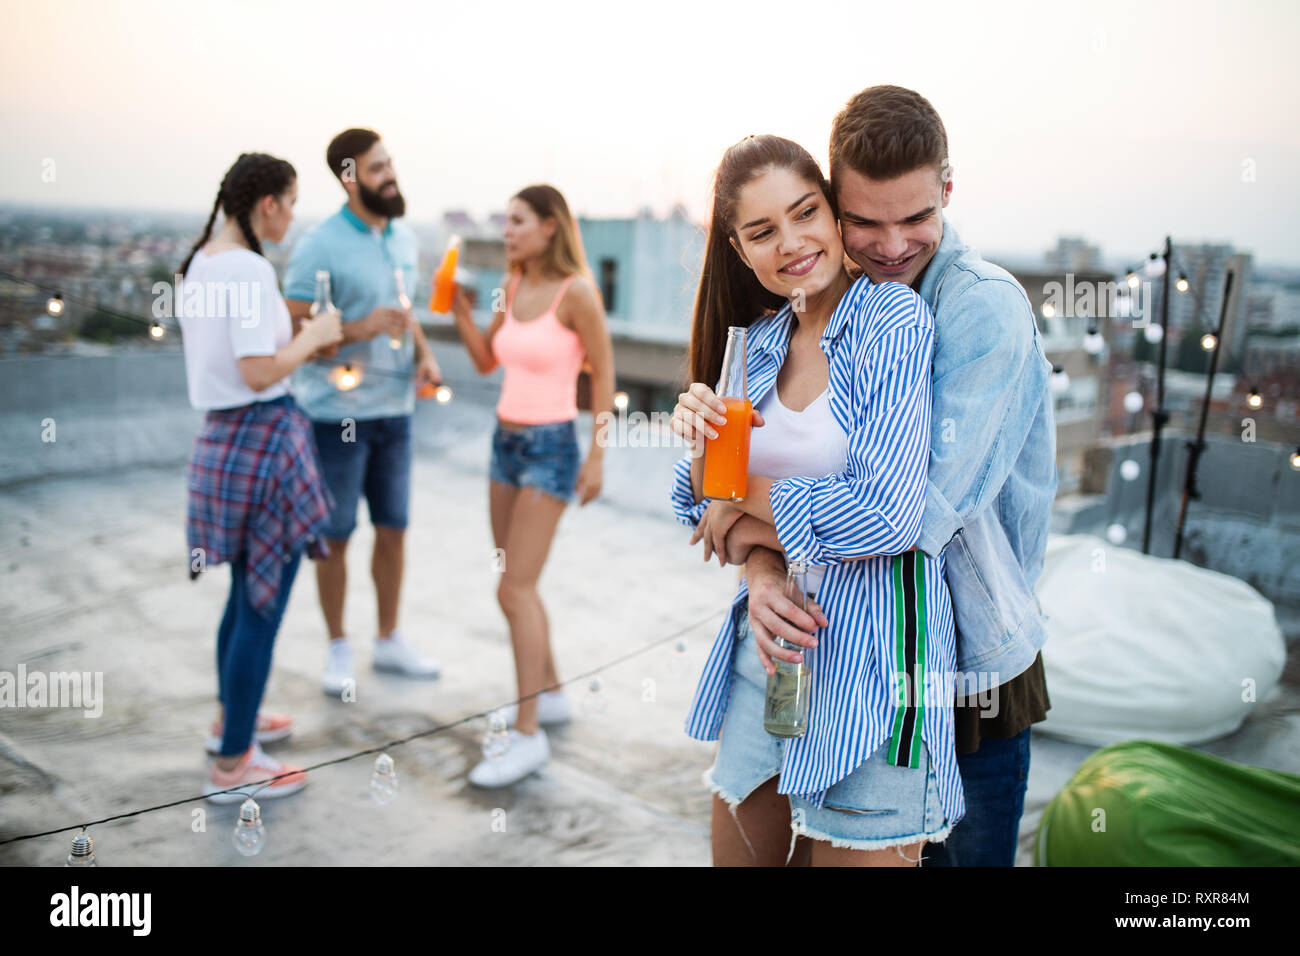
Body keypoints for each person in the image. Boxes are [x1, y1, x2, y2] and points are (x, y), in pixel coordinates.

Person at [741, 86, 1057, 866]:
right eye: (865, 222)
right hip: (849, 655)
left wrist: (745, 515)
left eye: (914, 218)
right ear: (832, 205)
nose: (889, 245)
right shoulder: (828, 305)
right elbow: (791, 461)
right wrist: (758, 566)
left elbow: (908, 517)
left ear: (948, 186)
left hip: (963, 674)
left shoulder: (982, 309)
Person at [669, 135, 963, 866]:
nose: (793, 243)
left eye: (806, 214)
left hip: (873, 668)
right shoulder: (758, 344)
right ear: (739, 249)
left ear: (834, 215)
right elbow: (694, 503)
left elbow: (890, 514)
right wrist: (761, 569)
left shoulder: (891, 322)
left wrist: (744, 501)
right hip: (767, 657)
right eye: (763, 231)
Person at [177, 152, 343, 802]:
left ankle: (231, 725)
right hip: (264, 437)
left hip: (221, 439)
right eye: (292, 202)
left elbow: (236, 357)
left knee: (244, 595)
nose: (294, 216)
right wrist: (316, 334)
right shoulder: (246, 268)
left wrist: (292, 337)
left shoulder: (202, 263)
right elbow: (256, 371)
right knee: (262, 606)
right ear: (267, 203)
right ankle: (234, 766)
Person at [449, 184, 614, 787]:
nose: (508, 230)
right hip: (504, 445)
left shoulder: (579, 295)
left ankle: (526, 735)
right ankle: (549, 697)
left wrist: (596, 458)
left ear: (550, 226)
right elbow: (488, 362)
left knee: (513, 590)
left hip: (549, 450)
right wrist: (463, 314)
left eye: (517, 221)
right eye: (506, 221)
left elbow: (604, 380)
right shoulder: (512, 284)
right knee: (517, 583)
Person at [283, 128, 443, 697]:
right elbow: (293, 323)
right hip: (336, 416)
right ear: (349, 177)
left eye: (390, 163)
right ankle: (336, 646)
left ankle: (389, 638)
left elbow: (405, 312)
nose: (389, 175)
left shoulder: (401, 238)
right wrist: (361, 328)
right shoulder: (319, 244)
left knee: (394, 529)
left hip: (396, 411)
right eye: (377, 168)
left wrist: (424, 357)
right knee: (336, 535)